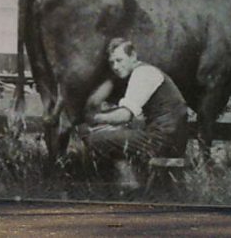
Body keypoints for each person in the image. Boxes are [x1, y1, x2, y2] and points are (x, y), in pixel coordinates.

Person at [81, 37, 189, 189]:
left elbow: (125, 115)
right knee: (112, 135)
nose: (116, 67)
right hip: (170, 139)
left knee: (94, 139)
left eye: (119, 60)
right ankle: (128, 183)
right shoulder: (146, 71)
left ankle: (120, 187)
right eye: (112, 62)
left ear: (133, 56)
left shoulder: (143, 73)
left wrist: (96, 118)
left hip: (161, 141)